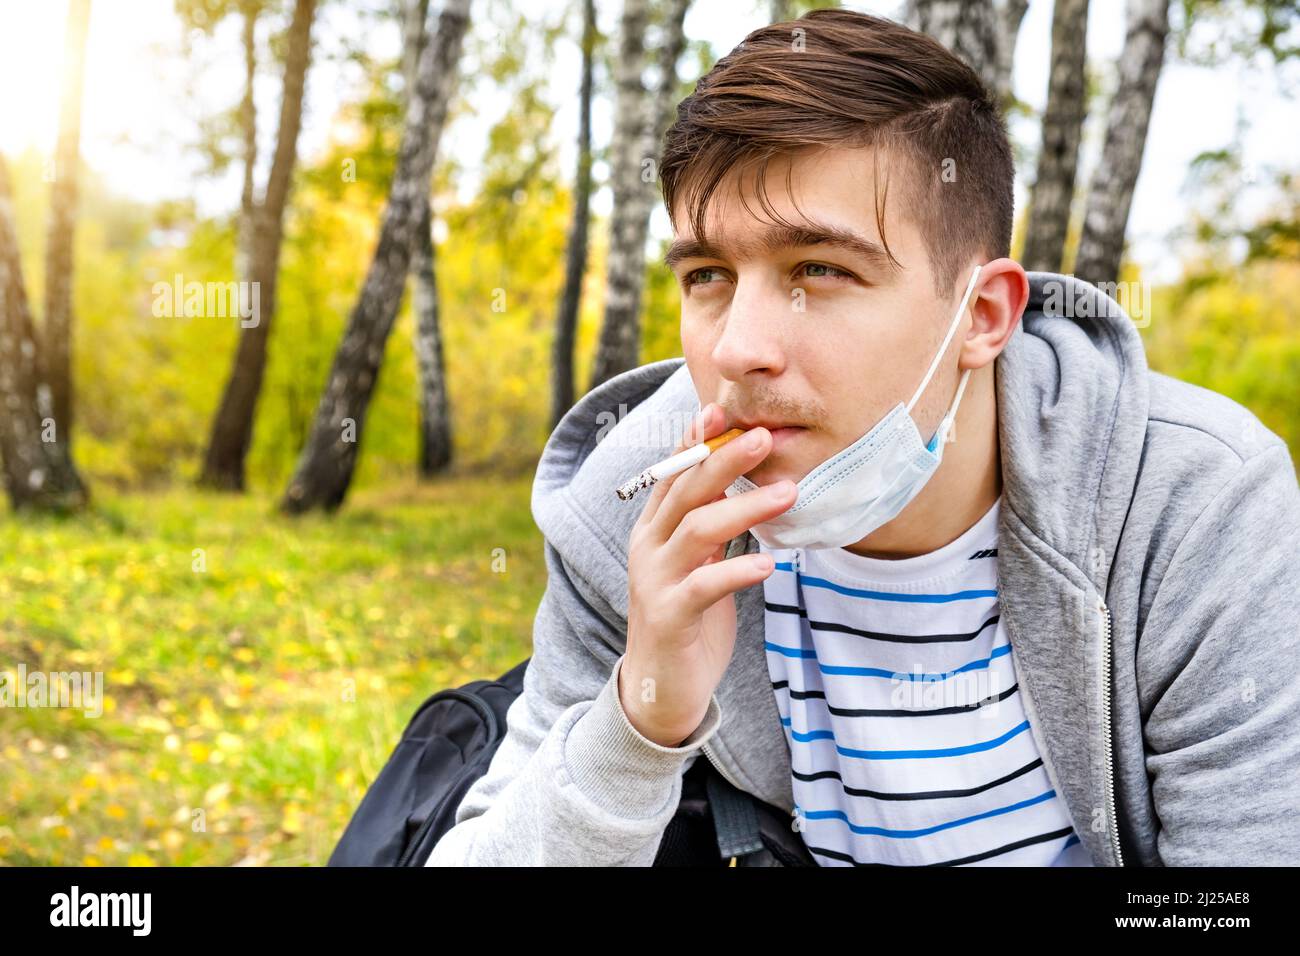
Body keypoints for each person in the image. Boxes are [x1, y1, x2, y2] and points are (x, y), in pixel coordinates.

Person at [426, 8, 1300, 866]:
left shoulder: (1194, 507)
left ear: (982, 316)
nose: (737, 350)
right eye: (708, 275)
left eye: (819, 270)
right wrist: (641, 721)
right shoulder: (638, 519)